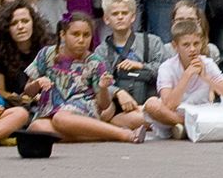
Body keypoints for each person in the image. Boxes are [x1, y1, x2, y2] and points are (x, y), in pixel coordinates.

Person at [25, 13, 146, 144]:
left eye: (86, 35)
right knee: (36, 128)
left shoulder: (95, 62)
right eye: (75, 34)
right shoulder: (46, 54)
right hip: (49, 110)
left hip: (82, 108)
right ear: (62, 35)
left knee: (61, 118)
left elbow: (103, 105)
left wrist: (103, 88)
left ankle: (123, 134)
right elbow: (28, 91)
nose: (81, 40)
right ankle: (101, 134)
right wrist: (37, 83)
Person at [144, 18, 223, 140]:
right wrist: (187, 75)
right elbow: (169, 105)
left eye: (196, 44)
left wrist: (206, 77)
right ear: (175, 46)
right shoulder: (166, 67)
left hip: (204, 112)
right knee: (151, 105)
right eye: (186, 45)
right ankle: (189, 125)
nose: (192, 49)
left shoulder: (208, 63)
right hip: (177, 113)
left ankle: (188, 127)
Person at [88, 0, 167, 128]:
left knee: (150, 109)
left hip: (151, 99)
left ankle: (144, 121)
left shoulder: (152, 42)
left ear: (133, 17)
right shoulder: (101, 50)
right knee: (105, 113)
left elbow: (168, 71)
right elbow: (98, 82)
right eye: (115, 14)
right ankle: (164, 123)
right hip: (119, 104)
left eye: (124, 13)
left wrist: (141, 66)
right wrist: (119, 92)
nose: (120, 17)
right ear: (106, 19)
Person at [0, 0, 51, 105]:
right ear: (6, 28)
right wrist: (18, 99)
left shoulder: (47, 47)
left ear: (33, 23)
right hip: (13, 106)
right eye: (14, 23)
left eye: (25, 21)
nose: (20, 27)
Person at [164, 0, 222, 65]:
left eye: (190, 19)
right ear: (173, 23)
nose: (186, 24)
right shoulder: (165, 51)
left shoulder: (212, 51)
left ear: (198, 23)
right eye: (180, 19)